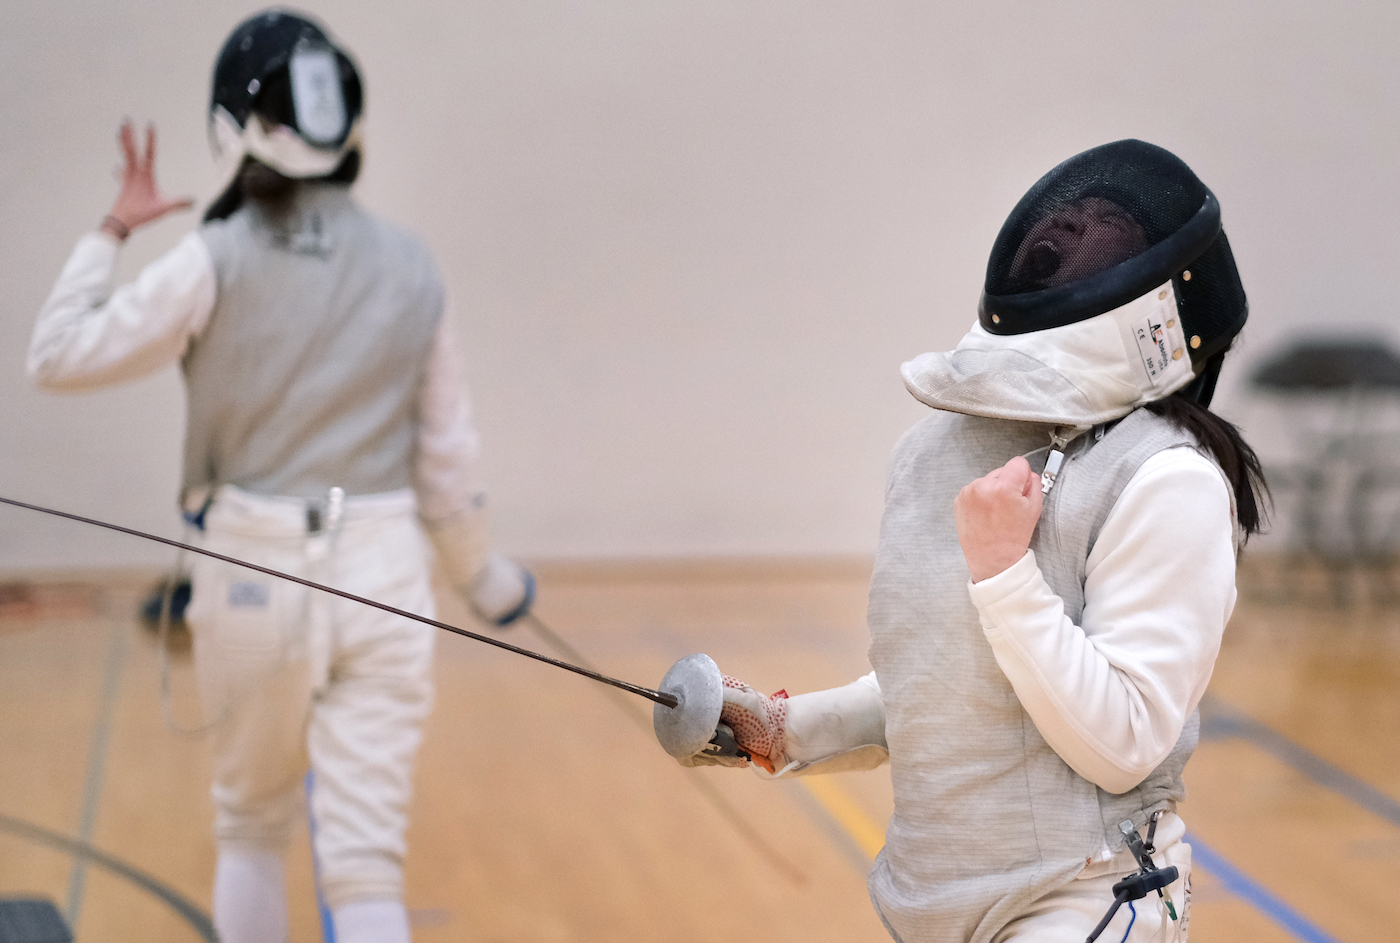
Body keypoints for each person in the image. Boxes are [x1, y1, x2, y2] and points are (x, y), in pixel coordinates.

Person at [669, 140, 1266, 943]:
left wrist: (1004, 572)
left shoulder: (1169, 481)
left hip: (1083, 900)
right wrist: (787, 727)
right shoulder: (934, 451)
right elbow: (948, 685)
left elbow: (1122, 739)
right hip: (930, 902)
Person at [27, 10, 533, 943]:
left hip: (253, 572)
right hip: (386, 577)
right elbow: (447, 461)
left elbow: (55, 354)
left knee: (251, 826)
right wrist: (487, 580)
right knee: (366, 860)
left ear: (236, 123)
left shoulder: (213, 256)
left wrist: (112, 227)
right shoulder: (412, 264)